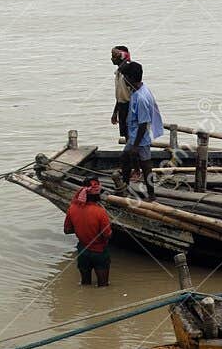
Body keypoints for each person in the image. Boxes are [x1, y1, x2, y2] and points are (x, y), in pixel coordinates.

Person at [120, 61, 163, 198]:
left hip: (140, 138)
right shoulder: (137, 91)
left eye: (125, 77)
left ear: (130, 78)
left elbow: (143, 124)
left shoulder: (141, 98)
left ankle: (151, 194)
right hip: (134, 136)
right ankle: (124, 187)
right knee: (125, 157)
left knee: (146, 165)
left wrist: (136, 146)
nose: (124, 80)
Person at [64, 178, 112, 287]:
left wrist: (81, 228)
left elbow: (67, 230)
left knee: (85, 284)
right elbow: (107, 234)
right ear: (97, 195)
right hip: (99, 251)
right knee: (103, 286)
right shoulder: (100, 212)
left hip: (83, 250)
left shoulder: (72, 208)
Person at [109, 46, 131, 141]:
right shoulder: (118, 73)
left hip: (130, 107)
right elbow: (119, 95)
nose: (112, 59)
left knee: (132, 134)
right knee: (126, 135)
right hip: (122, 106)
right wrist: (115, 112)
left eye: (114, 56)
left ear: (122, 56)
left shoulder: (128, 72)